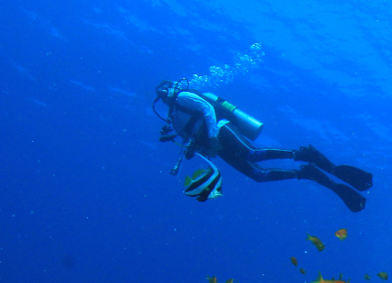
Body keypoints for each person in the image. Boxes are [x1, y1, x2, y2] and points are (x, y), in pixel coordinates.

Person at [153, 79, 372, 212]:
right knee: (258, 176)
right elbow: (194, 141)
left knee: (252, 154)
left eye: (164, 92)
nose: (163, 97)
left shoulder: (183, 96)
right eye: (160, 96)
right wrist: (196, 150)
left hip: (221, 129)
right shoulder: (174, 119)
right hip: (215, 145)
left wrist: (211, 138)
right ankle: (305, 172)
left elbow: (208, 110)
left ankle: (304, 154)